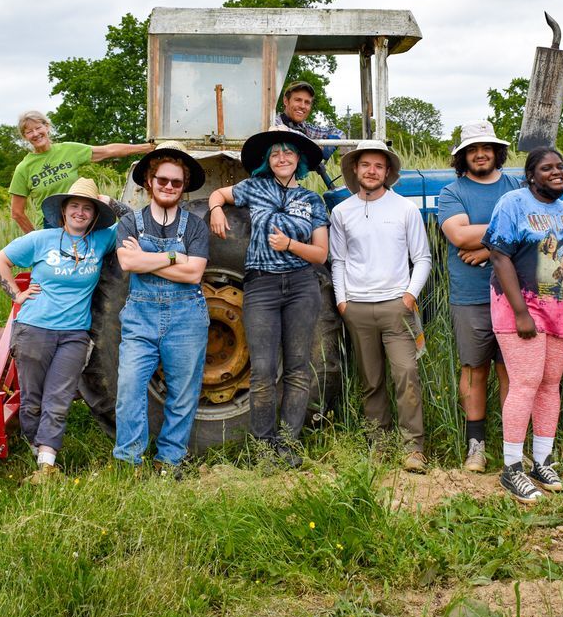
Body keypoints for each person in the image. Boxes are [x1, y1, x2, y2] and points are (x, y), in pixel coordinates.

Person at [207, 130, 329, 467]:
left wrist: (290, 245)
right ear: (268, 161)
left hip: (302, 286)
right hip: (261, 285)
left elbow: (320, 254)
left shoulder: (312, 201)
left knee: (298, 369)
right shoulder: (253, 188)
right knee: (262, 370)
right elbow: (218, 193)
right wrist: (216, 210)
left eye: (288, 153)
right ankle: (263, 448)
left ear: (298, 161)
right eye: (275, 154)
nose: (282, 159)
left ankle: (288, 445)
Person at [0, 178, 120, 482]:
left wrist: (110, 202)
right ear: (63, 211)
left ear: (94, 215)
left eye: (87, 208)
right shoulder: (40, 239)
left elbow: (132, 222)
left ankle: (47, 461)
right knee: (33, 397)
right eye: (74, 206)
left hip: (74, 334)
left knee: (58, 398)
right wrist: (16, 295)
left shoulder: (100, 241)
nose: (80, 212)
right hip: (34, 329)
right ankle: (35, 446)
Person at [484, 147, 563, 503]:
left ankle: (543, 460)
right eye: (546, 168)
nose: (556, 172)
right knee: (525, 384)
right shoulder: (513, 203)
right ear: (531, 175)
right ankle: (512, 468)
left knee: (550, 385)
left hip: (562, 312)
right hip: (522, 311)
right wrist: (521, 311)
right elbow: (498, 255)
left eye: (560, 167)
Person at [329, 140, 432, 472]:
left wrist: (409, 296)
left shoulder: (404, 209)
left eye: (378, 166)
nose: (371, 171)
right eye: (365, 165)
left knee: (406, 375)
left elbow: (423, 258)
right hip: (357, 308)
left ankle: (413, 447)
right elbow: (339, 261)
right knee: (370, 380)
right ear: (355, 170)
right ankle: (380, 444)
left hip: (396, 307)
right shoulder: (342, 212)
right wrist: (342, 301)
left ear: (387, 172)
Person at [114, 143, 212, 476]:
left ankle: (169, 459)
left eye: (176, 182)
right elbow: (127, 262)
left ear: (183, 188)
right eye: (162, 180)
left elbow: (195, 273)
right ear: (149, 182)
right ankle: (130, 460)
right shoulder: (129, 223)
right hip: (139, 318)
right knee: (129, 387)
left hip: (187, 316)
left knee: (183, 392)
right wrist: (173, 257)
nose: (169, 187)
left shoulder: (196, 226)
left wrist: (146, 262)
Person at [437, 120, 519, 472]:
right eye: (472, 149)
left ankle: (513, 448)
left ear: (497, 151)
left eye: (486, 147)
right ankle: (476, 447)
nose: (480, 153)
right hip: (471, 295)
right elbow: (459, 236)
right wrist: (508, 228)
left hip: (516, 295)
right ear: (463, 156)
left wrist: (487, 251)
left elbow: (534, 229)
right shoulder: (452, 193)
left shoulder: (517, 185)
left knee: (511, 371)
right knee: (474, 368)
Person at [8, 110, 154, 233]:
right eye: (29, 131)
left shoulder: (68, 150)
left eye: (38, 128)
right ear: (24, 136)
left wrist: (147, 148)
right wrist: (36, 239)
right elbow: (17, 213)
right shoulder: (24, 168)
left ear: (47, 127)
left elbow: (108, 150)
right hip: (52, 227)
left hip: (82, 217)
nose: (35, 134)